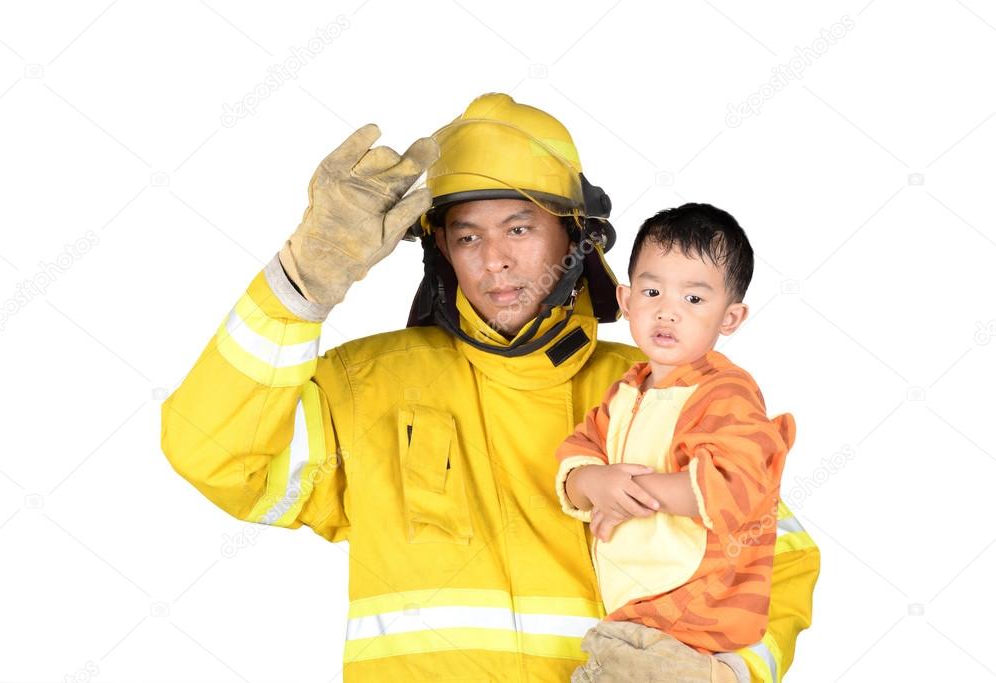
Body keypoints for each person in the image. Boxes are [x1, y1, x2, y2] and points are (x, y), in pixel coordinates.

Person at [160, 93, 819, 682]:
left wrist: (724, 673)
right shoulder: (365, 382)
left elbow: (776, 556)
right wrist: (297, 286)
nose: (493, 259)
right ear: (440, 250)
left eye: (519, 228)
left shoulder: (658, 390)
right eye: (466, 234)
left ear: (576, 237)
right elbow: (211, 453)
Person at [555, 204, 798, 681]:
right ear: (626, 301)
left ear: (730, 318)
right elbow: (577, 453)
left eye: (693, 300)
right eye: (652, 291)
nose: (667, 310)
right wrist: (596, 482)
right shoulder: (625, 390)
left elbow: (736, 487)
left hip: (694, 612)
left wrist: (631, 496)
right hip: (637, 610)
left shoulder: (724, 393)